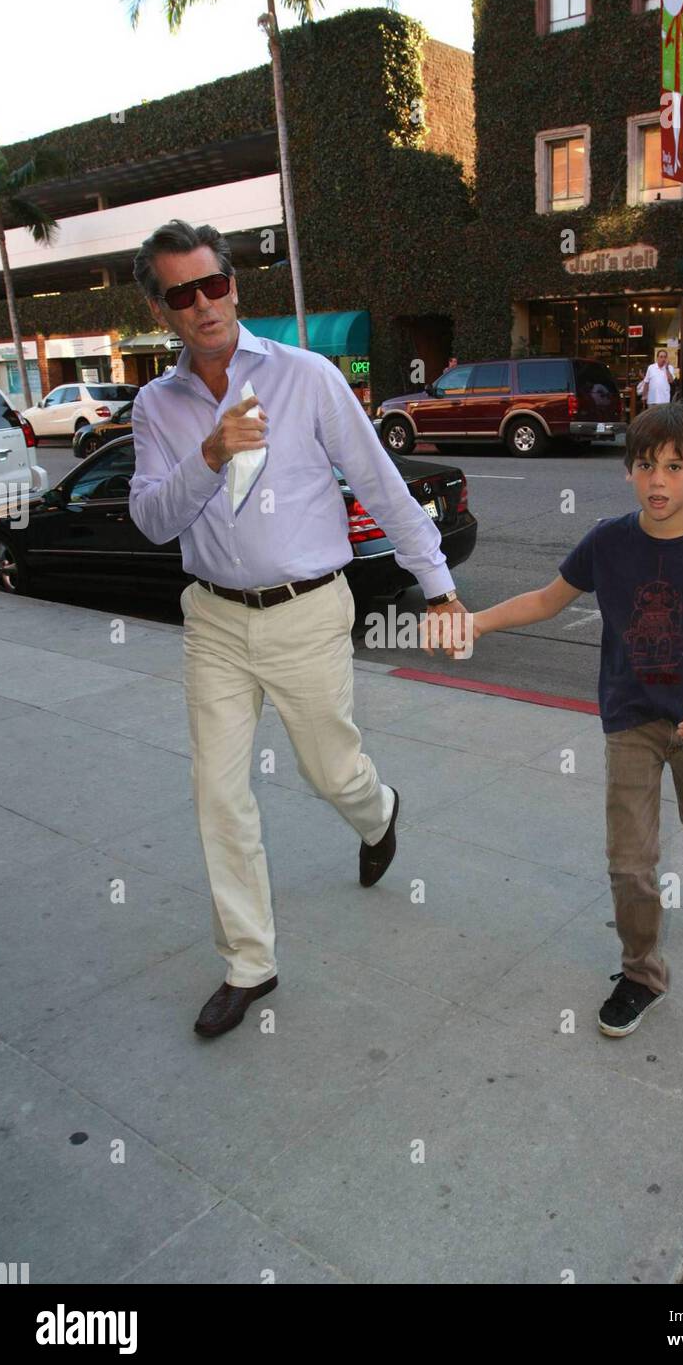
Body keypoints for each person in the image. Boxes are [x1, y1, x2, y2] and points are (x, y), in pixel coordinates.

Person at [129, 219, 466, 1039]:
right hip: (213, 618)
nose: (203, 304)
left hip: (309, 611)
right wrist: (208, 455)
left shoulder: (308, 378)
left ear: (234, 284)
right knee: (218, 792)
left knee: (330, 771)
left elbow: (382, 487)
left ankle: (378, 813)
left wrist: (439, 587)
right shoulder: (156, 404)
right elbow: (148, 520)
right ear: (161, 308)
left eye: (213, 284)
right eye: (182, 294)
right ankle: (251, 962)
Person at [427, 403, 683, 1037]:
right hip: (632, 720)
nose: (658, 481)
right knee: (629, 860)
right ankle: (642, 974)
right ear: (629, 473)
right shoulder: (609, 541)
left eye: (674, 467)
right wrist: (474, 622)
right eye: (646, 466)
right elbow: (545, 599)